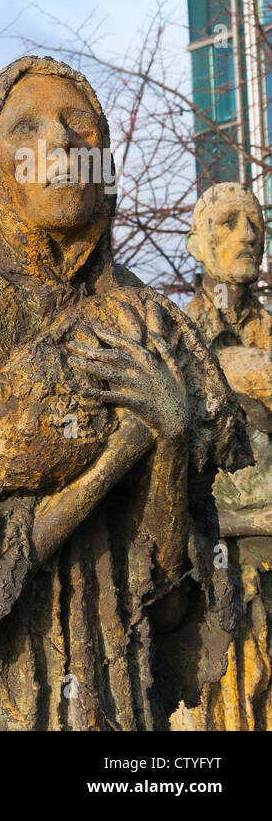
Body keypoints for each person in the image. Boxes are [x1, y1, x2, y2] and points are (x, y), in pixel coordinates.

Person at [0, 56, 247, 730]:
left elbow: (172, 602)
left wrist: (171, 440)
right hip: (5, 696)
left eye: (77, 124)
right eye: (25, 128)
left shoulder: (150, 322)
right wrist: (121, 453)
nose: (58, 143)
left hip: (119, 696)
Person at [179, 182, 272, 729]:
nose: (248, 234)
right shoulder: (175, 339)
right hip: (209, 587)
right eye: (230, 221)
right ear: (196, 244)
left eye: (256, 224)